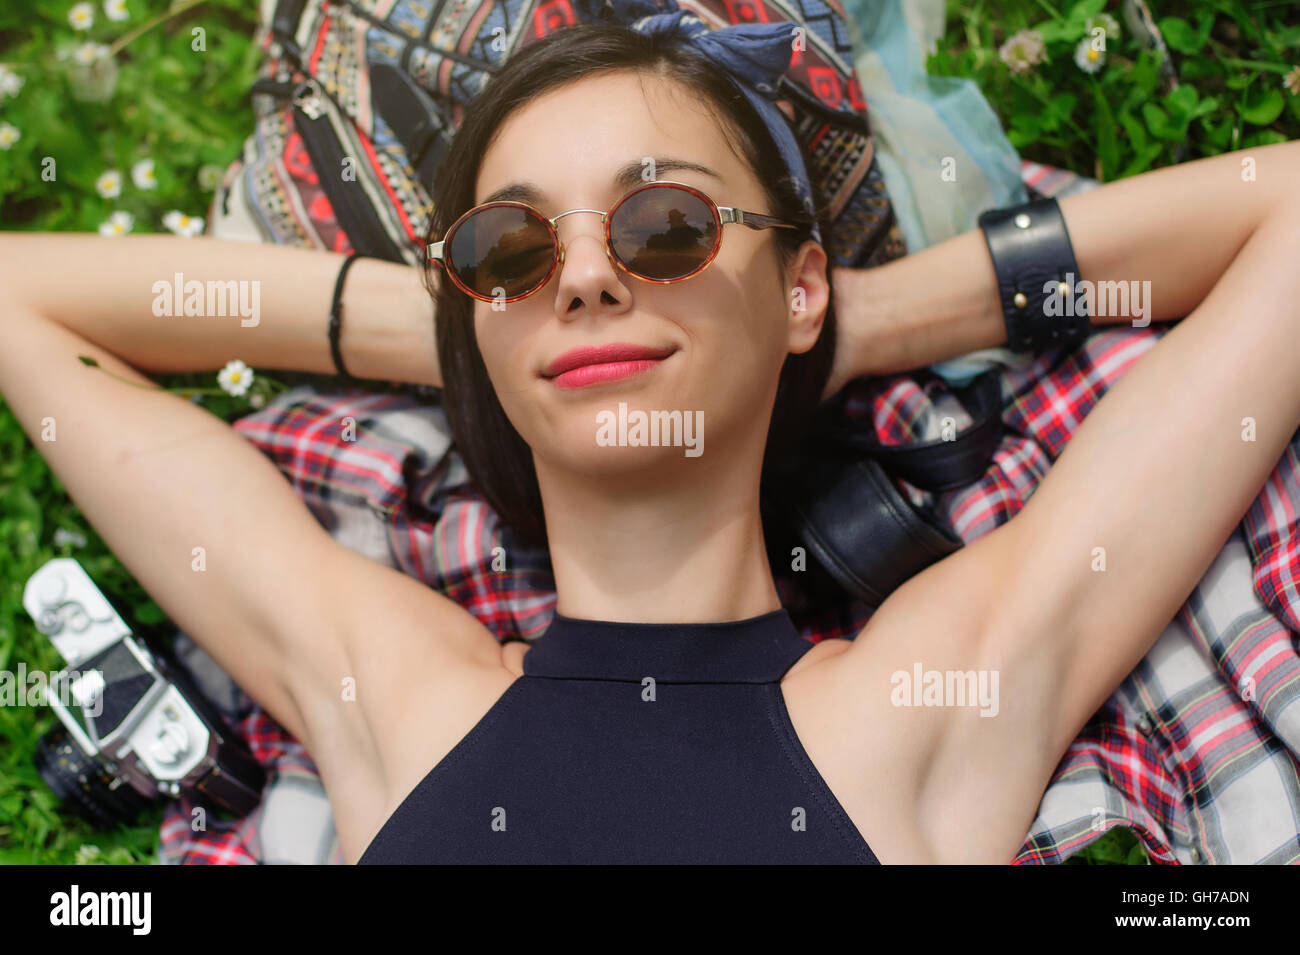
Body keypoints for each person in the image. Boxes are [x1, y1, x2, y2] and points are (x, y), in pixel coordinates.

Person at [3, 15, 1299, 863]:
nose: (579, 279)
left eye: (664, 226)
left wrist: (858, 315)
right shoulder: (388, 695)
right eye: (509, 245)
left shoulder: (932, 707)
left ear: (795, 285)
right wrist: (455, 328)